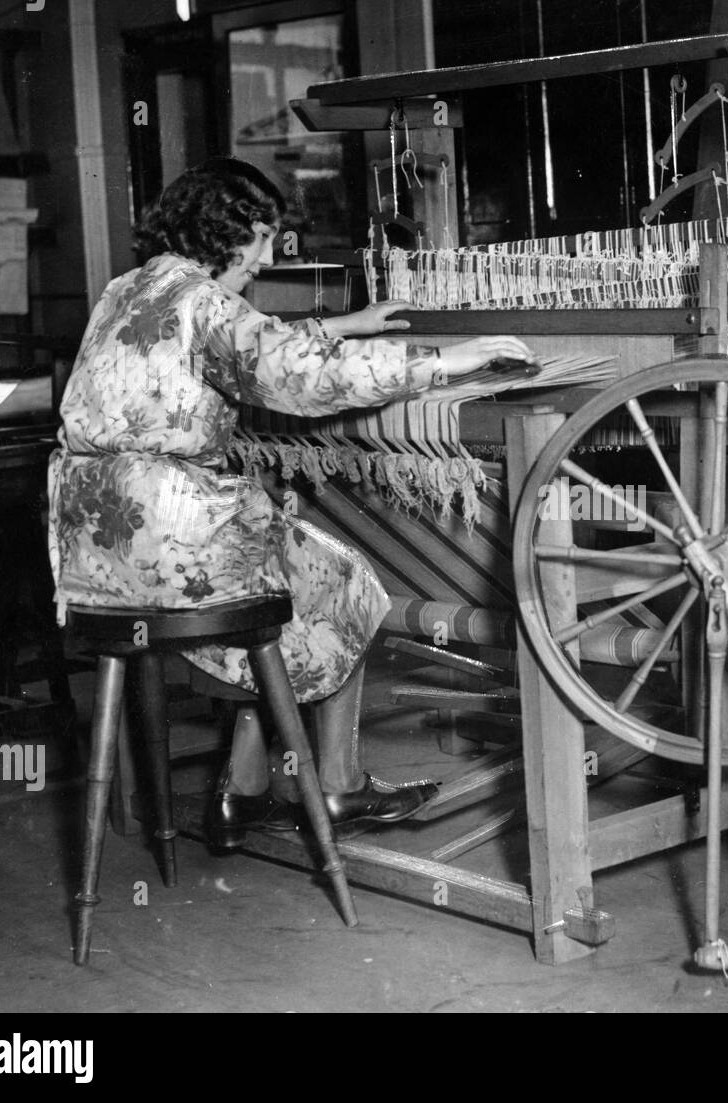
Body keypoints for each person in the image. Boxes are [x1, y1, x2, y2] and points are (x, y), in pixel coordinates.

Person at [48, 157, 534, 844]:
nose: (268, 256)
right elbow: (289, 375)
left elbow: (255, 346)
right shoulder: (204, 302)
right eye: (263, 237)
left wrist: (352, 322)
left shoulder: (128, 289)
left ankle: (242, 789)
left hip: (94, 556)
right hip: (172, 551)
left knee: (281, 580)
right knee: (346, 581)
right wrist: (441, 362)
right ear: (228, 230)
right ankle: (337, 787)